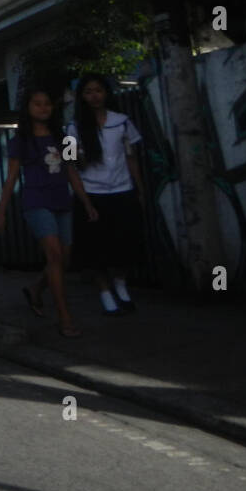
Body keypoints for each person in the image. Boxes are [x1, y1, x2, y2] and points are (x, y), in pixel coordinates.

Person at [0, 84, 98, 337]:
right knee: (54, 256)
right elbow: (11, 178)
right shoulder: (21, 141)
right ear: (28, 108)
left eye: (47, 103)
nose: (43, 108)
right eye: (37, 103)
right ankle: (65, 318)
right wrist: (1, 212)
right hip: (36, 203)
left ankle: (37, 289)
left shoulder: (65, 139)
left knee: (64, 259)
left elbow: (72, 171)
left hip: (62, 202)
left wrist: (86, 202)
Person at [66, 72, 147, 315]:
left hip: (122, 190)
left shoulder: (121, 121)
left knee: (124, 245)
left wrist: (139, 189)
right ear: (82, 96)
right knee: (96, 250)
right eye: (88, 91)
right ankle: (104, 292)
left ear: (106, 93)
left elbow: (131, 157)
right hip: (93, 193)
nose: (94, 96)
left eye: (98, 90)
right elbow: (70, 167)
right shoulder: (74, 128)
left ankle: (121, 286)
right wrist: (85, 201)